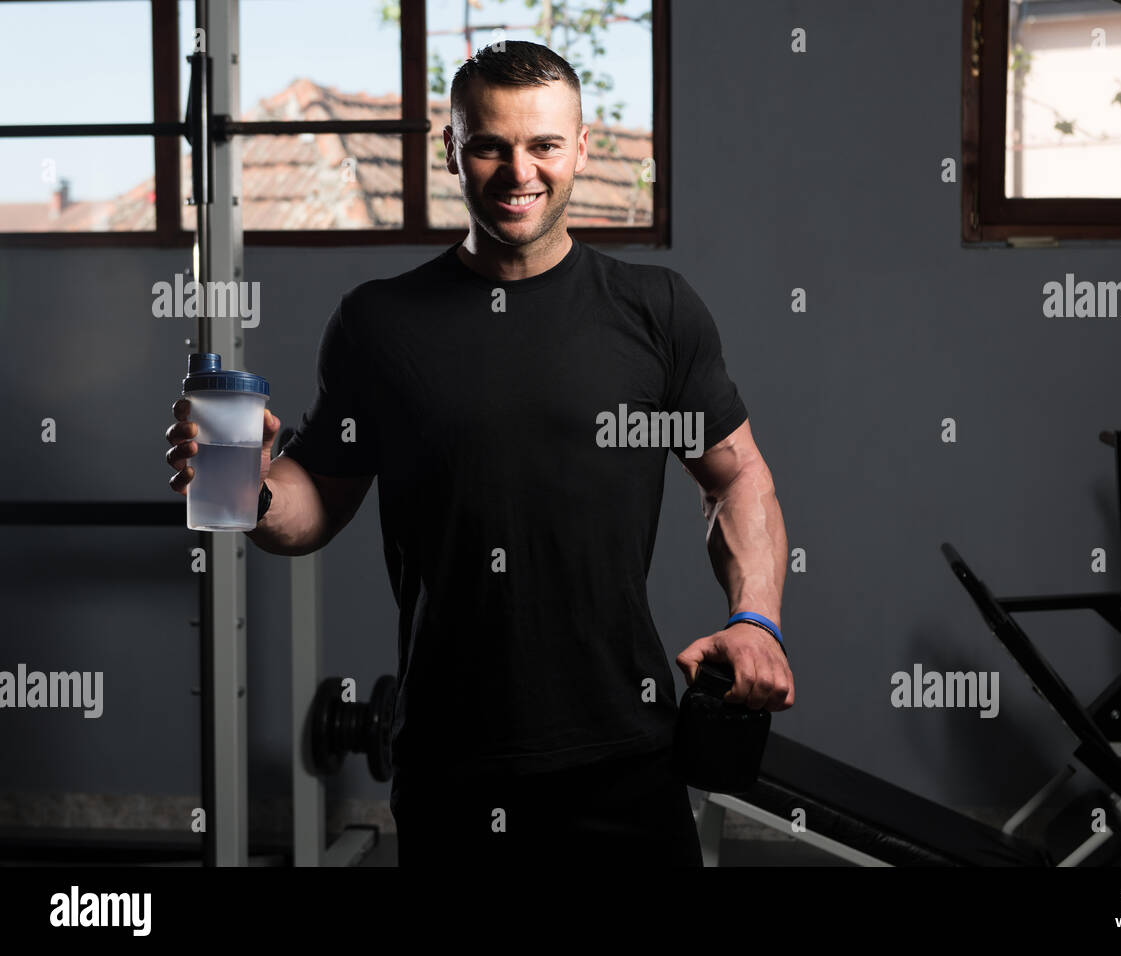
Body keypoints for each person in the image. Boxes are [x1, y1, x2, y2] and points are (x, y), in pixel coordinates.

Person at [164, 40, 793, 867]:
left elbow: (737, 473)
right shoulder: (380, 323)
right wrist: (246, 486)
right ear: (451, 149)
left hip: (626, 747)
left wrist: (756, 621)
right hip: (453, 757)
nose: (517, 170)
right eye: (490, 144)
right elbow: (312, 503)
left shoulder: (655, 312)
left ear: (581, 149)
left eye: (543, 145)